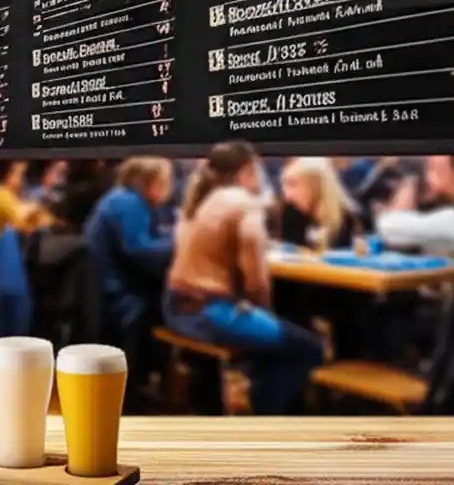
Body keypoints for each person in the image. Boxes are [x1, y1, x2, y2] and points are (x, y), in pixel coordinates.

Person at [163, 141, 324, 415]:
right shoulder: (243, 202)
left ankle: (260, 395)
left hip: (174, 307)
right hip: (208, 312)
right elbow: (256, 280)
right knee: (308, 347)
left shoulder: (199, 197)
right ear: (245, 171)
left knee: (273, 343)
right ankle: (270, 420)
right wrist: (266, 313)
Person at [83, 157, 175, 406]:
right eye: (165, 181)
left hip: (111, 286)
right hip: (118, 294)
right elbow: (139, 248)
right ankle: (137, 394)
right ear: (150, 182)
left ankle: (150, 385)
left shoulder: (125, 198)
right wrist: (181, 242)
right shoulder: (128, 202)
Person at [278, 157, 359, 251]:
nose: (287, 195)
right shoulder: (291, 211)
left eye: (293, 184)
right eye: (285, 185)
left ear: (314, 185)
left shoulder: (346, 218)